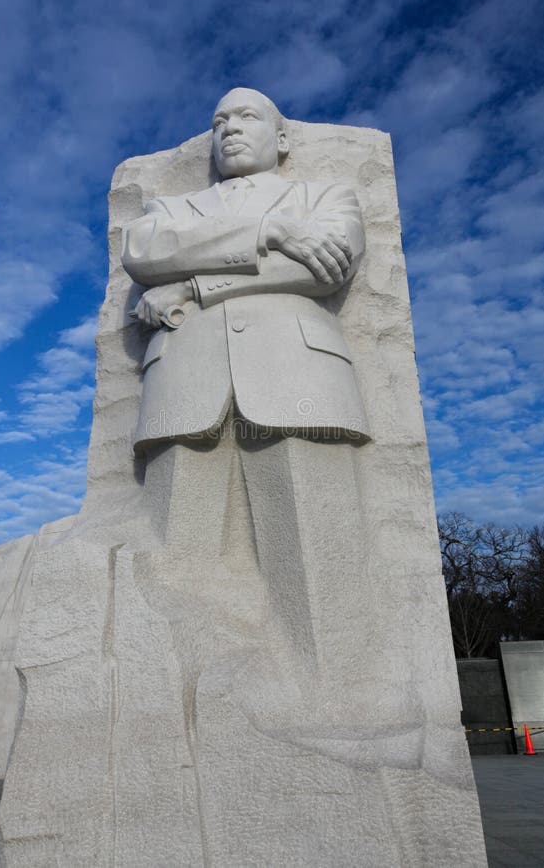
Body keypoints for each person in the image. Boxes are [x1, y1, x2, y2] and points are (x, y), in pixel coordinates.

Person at [121, 88, 370, 663]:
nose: (230, 128)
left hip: (300, 379)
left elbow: (326, 269)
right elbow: (145, 251)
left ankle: (332, 688)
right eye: (219, 121)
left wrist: (194, 286)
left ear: (281, 139)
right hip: (184, 384)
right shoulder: (170, 209)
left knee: (319, 565)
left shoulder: (323, 195)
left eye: (247, 116)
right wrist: (271, 232)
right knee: (173, 560)